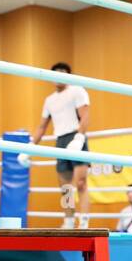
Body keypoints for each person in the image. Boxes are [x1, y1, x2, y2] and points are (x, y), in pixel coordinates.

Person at [31, 64, 91, 229]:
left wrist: (79, 137)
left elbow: (85, 116)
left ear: (69, 76)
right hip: (60, 141)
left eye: (63, 74)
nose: (59, 77)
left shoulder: (77, 90)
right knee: (65, 187)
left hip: (76, 136)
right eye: (56, 74)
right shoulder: (49, 100)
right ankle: (69, 221)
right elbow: (42, 127)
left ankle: (84, 221)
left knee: (80, 183)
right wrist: (29, 148)